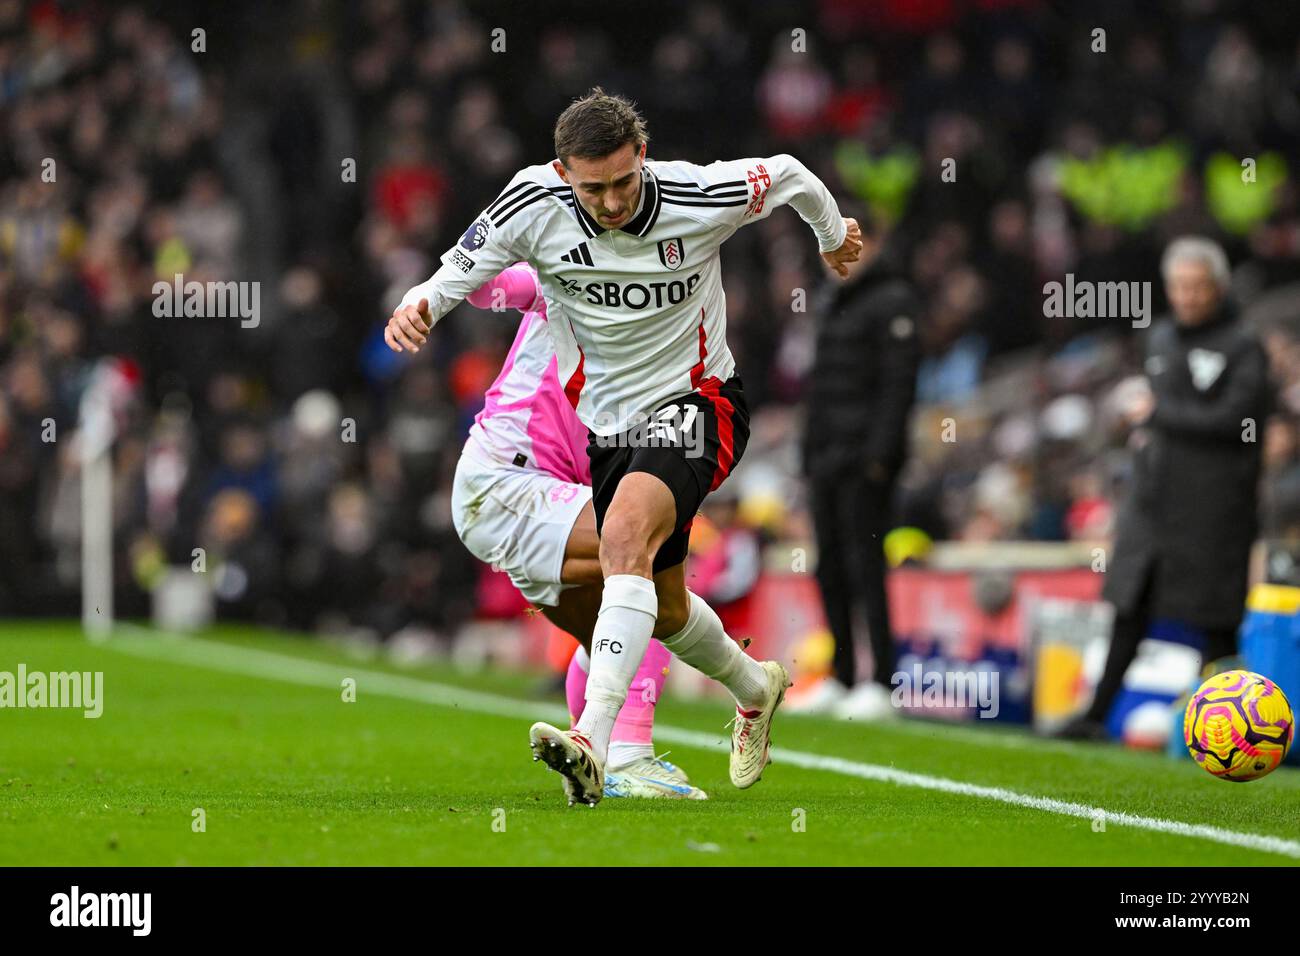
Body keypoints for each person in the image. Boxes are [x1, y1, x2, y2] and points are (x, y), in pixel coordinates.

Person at [385, 88, 862, 805]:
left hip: (700, 403)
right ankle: (756, 686)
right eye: (592, 188)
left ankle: (597, 742)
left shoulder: (699, 196)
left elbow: (790, 172)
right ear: (561, 171)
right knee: (663, 606)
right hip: (612, 433)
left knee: (625, 538)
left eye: (622, 181)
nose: (610, 202)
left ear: (643, 155)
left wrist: (832, 236)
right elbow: (463, 265)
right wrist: (418, 304)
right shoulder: (532, 203)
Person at [452, 261, 705, 799]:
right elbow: (487, 289)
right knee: (648, 558)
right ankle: (630, 759)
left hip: (536, 501)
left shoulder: (650, 338)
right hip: (509, 484)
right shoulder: (571, 271)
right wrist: (481, 248)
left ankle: (595, 766)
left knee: (614, 631)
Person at [1057, 237, 1272, 741]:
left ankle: (1234, 732)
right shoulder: (1161, 337)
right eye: (1179, 286)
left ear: (1217, 287)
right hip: (1154, 503)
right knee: (1128, 606)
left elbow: (1238, 421)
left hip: (1213, 509)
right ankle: (1094, 717)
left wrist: (1158, 415)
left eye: (1198, 287)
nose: (1189, 296)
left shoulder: (1244, 344)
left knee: (1215, 620)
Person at [797, 225, 920, 720]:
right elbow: (819, 387)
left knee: (866, 565)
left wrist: (880, 457)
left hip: (865, 461)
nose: (837, 253)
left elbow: (899, 385)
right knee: (829, 565)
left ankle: (882, 682)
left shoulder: (894, 299)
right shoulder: (829, 299)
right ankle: (842, 675)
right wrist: (808, 453)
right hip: (826, 456)